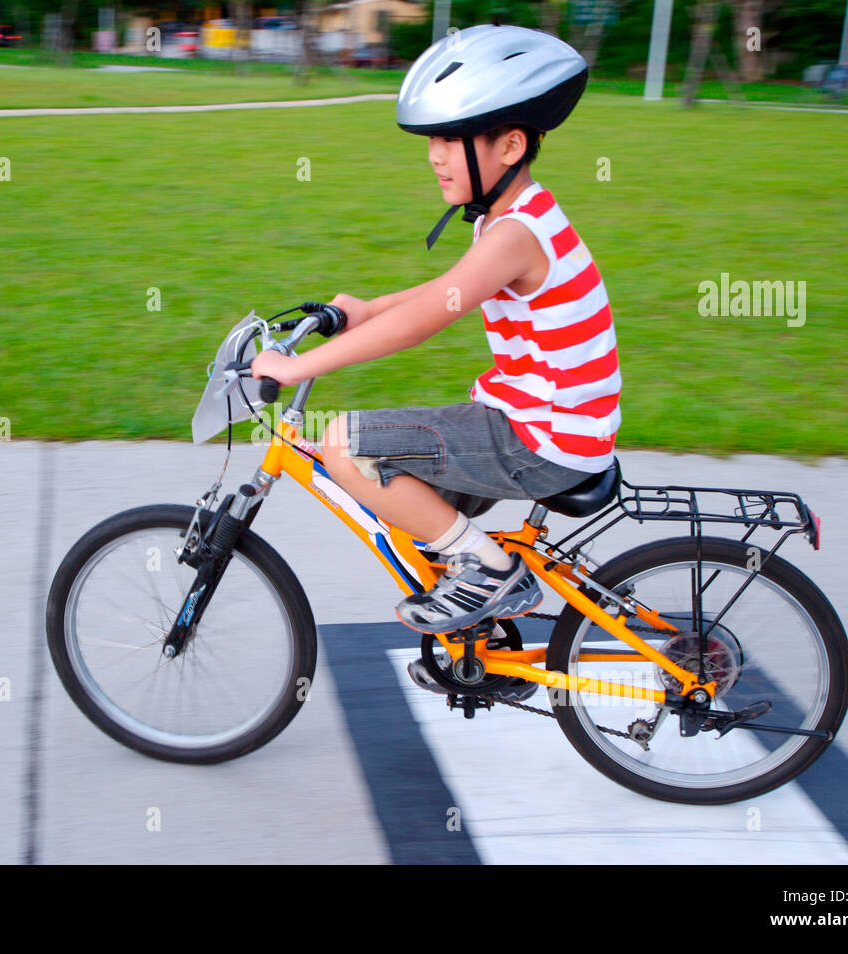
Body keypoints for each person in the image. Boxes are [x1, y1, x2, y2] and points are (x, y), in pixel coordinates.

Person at [251, 25, 621, 693]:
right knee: (404, 502)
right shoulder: (509, 219)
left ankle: (490, 573)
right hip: (537, 421)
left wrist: (299, 367)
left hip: (542, 439)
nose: (434, 155)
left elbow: (427, 320)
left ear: (510, 145)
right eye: (433, 139)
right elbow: (445, 289)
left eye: (452, 137)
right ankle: (475, 645)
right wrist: (366, 308)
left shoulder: (515, 233)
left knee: (346, 447)